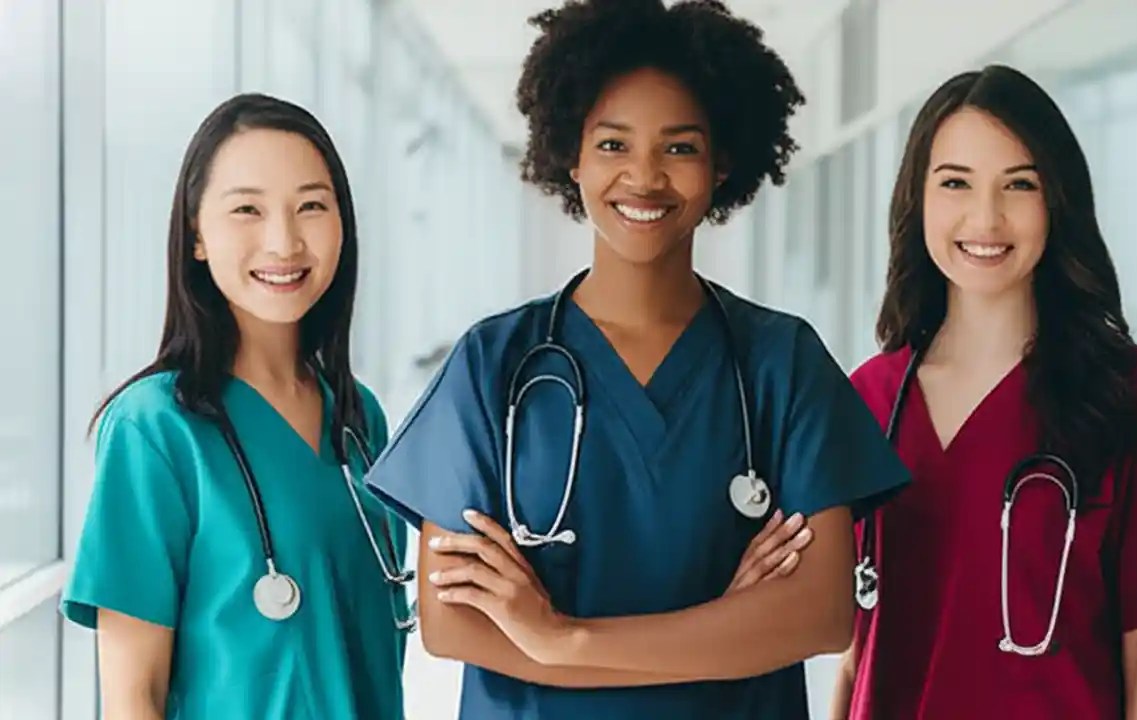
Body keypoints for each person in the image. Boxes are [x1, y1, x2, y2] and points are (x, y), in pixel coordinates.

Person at [363, 1, 910, 718]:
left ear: (722, 164)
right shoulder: (493, 365)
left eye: (679, 147)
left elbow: (818, 614)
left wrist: (562, 638)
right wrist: (724, 632)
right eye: (613, 145)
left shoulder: (782, 364)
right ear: (571, 155)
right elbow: (453, 623)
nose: (644, 176)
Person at [828, 64, 1137, 720]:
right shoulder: (868, 400)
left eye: (1018, 184)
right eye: (955, 183)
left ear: (1056, 199)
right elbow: (857, 656)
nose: (986, 217)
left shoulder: (1132, 395)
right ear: (919, 200)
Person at [61, 93, 411, 719]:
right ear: (197, 235)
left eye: (310, 206)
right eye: (247, 209)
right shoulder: (155, 430)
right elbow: (132, 696)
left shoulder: (361, 423)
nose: (284, 240)